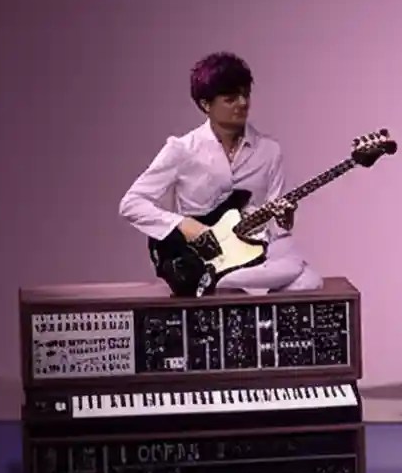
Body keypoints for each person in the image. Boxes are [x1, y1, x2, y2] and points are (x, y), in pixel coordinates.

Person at [118, 51, 323, 293]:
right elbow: (131, 203)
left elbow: (278, 227)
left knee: (309, 282)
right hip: (207, 252)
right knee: (292, 274)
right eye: (231, 98)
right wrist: (183, 224)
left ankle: (219, 281)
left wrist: (284, 217)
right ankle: (224, 278)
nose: (243, 103)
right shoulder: (182, 149)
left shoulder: (270, 151)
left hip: (258, 247)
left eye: (246, 94)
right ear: (206, 104)